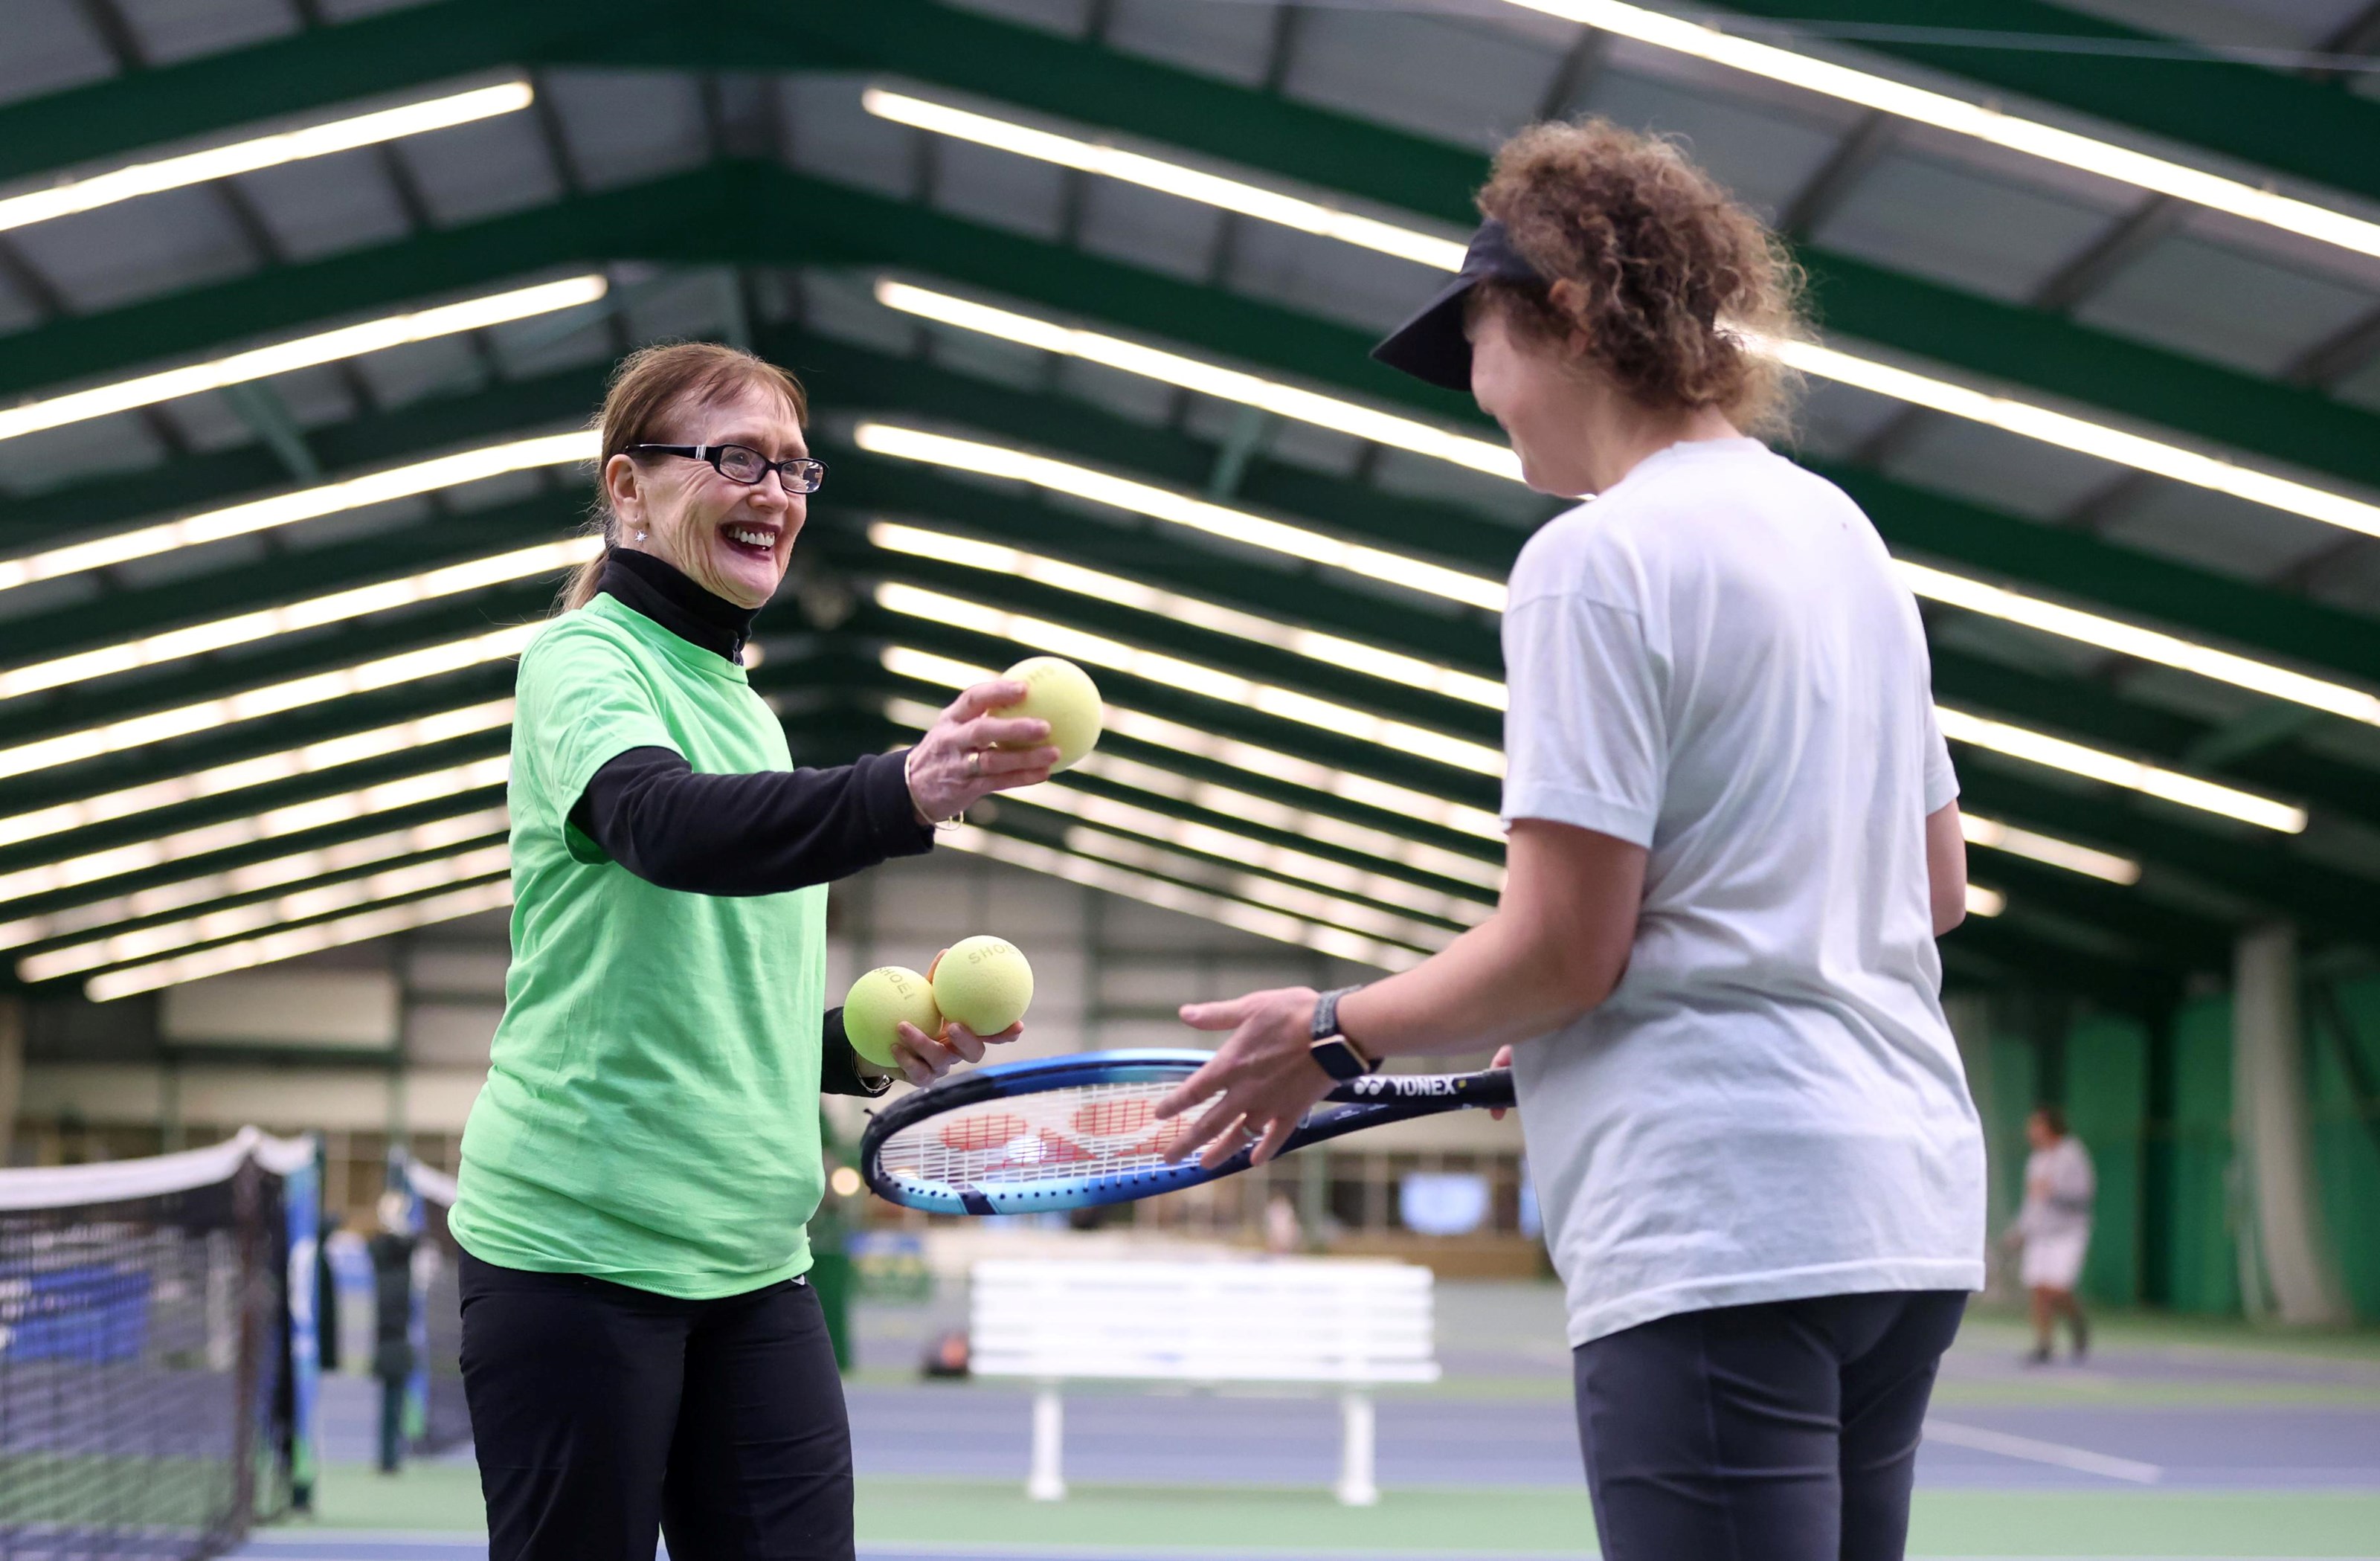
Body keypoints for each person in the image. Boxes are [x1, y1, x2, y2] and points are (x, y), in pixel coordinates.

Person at [1158, 120, 1986, 1561]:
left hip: (1723, 1215)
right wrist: (1555, 1026)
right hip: (1902, 1207)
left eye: (1477, 343)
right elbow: (1936, 886)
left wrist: (1334, 1032)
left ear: (1570, 318)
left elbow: (1562, 948)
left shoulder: (1592, 561)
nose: (1477, 393)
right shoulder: (1840, 533)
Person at [448, 341, 1061, 1560]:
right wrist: (901, 788)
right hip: (577, 1255)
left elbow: (718, 1004)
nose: (775, 492)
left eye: (793, 467)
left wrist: (863, 1048)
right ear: (628, 487)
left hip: (756, 1263)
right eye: (736, 458)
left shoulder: (750, 712)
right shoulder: (583, 660)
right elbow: (662, 823)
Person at [2003, 1105, 2094, 1364]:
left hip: (2068, 1233)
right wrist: (2019, 1231)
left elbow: (2083, 1196)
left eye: (2036, 1126)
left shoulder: (2073, 1154)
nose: (2031, 1131)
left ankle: (2077, 1321)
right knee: (2038, 1288)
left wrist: (2054, 1193)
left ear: (2050, 1127)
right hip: (2040, 1235)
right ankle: (2044, 1344)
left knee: (2057, 1288)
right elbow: (2033, 1202)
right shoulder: (2036, 1160)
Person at [365, 1191, 417, 1475]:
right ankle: (388, 1458)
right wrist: (389, 1220)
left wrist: (398, 1222)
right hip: (388, 1339)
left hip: (399, 1338)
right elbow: (382, 1246)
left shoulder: (403, 1258)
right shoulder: (381, 1254)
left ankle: (392, 1457)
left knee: (395, 1405)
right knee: (390, 1405)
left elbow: (409, 1243)